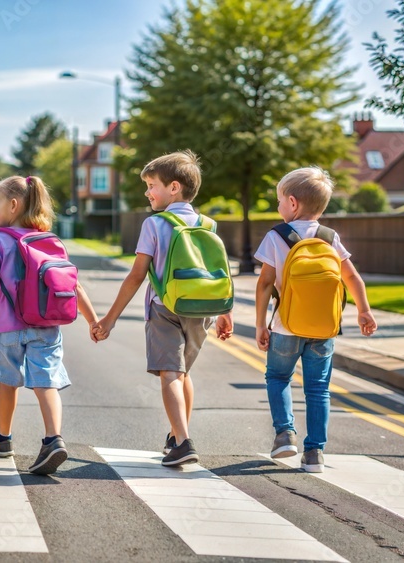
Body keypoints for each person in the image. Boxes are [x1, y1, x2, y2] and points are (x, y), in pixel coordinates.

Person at [0, 175, 99, 475]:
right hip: (47, 325)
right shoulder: (49, 239)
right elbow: (73, 285)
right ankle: (53, 439)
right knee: (46, 381)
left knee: (8, 380)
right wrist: (92, 320)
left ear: (13, 205)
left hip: (8, 326)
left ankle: (2, 437)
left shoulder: (0, 239)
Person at [93, 150, 233, 467]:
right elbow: (217, 271)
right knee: (184, 374)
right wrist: (225, 311)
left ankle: (183, 442)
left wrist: (110, 318)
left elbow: (136, 275)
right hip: (203, 309)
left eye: (152, 185)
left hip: (164, 307)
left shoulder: (155, 224)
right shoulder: (208, 224)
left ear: (173, 187)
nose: (147, 192)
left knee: (170, 373)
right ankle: (175, 435)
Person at [254, 166, 377, 473]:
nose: (279, 206)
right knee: (318, 388)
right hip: (324, 328)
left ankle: (284, 434)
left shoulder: (276, 236)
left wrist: (260, 324)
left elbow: (265, 283)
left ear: (292, 203)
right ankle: (315, 454)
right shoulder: (330, 237)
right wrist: (364, 310)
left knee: (278, 377)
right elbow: (351, 276)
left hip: (286, 326)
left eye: (280, 200)